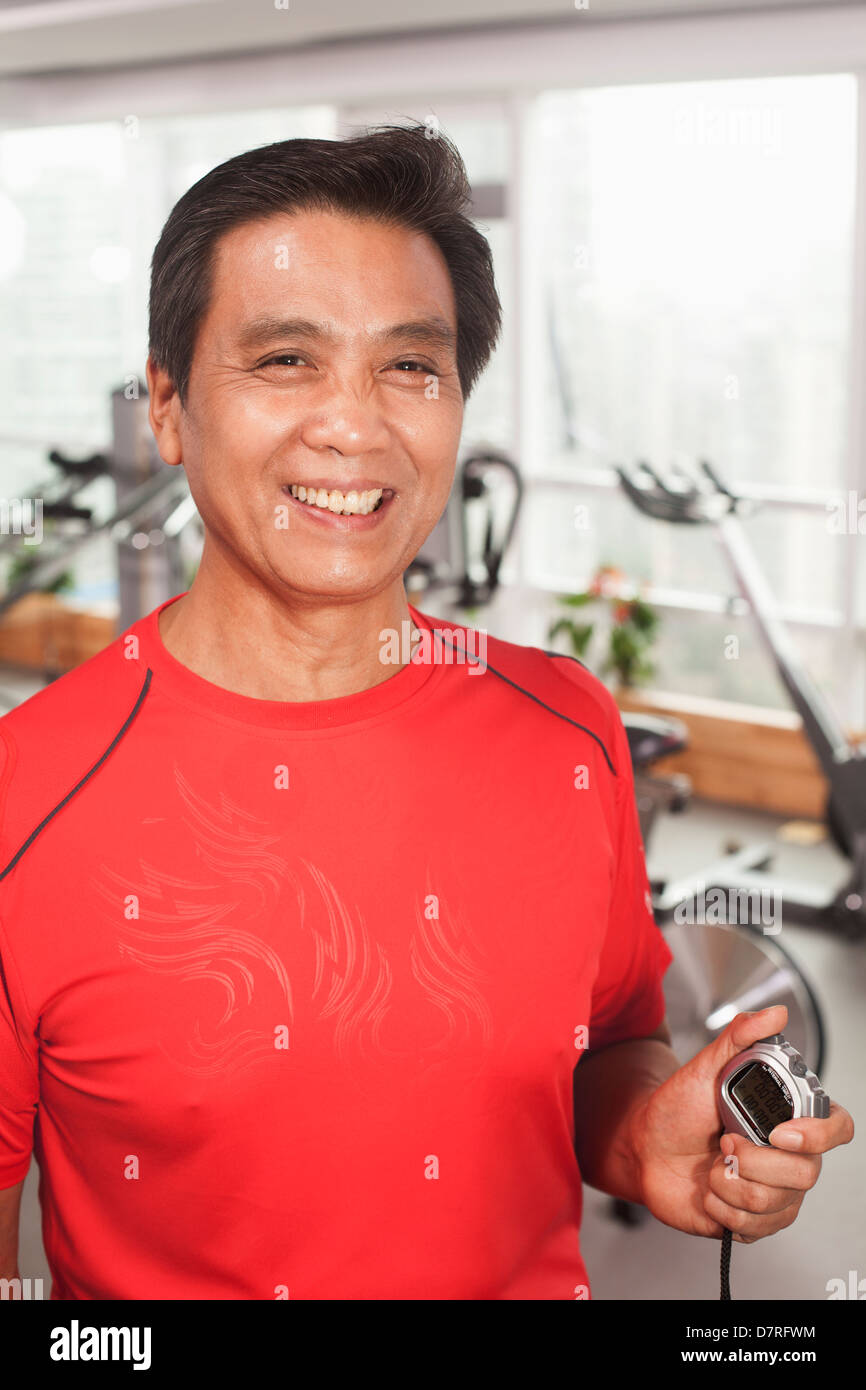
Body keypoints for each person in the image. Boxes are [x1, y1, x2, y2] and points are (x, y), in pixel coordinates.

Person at [0, 125, 852, 1301]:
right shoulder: (24, 795)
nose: (354, 427)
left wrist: (644, 1136)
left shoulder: (565, 727)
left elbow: (606, 1046)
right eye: (286, 359)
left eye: (411, 366)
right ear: (167, 403)